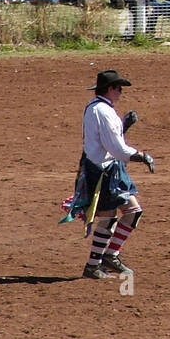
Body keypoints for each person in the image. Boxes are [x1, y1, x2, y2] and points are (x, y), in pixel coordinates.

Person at [63, 70, 155, 280]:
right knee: (109, 217)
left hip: (106, 168)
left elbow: (106, 141)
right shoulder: (103, 111)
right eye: (119, 88)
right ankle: (94, 265)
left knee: (132, 211)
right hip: (103, 171)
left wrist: (123, 127)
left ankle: (109, 256)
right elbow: (117, 149)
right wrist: (142, 157)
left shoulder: (96, 108)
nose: (121, 93)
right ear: (111, 89)